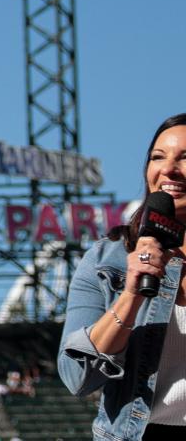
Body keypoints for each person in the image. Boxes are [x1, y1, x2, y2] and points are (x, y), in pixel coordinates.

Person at [60, 112, 186, 439]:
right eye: (158, 157)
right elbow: (78, 376)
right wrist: (130, 295)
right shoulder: (109, 260)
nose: (169, 168)